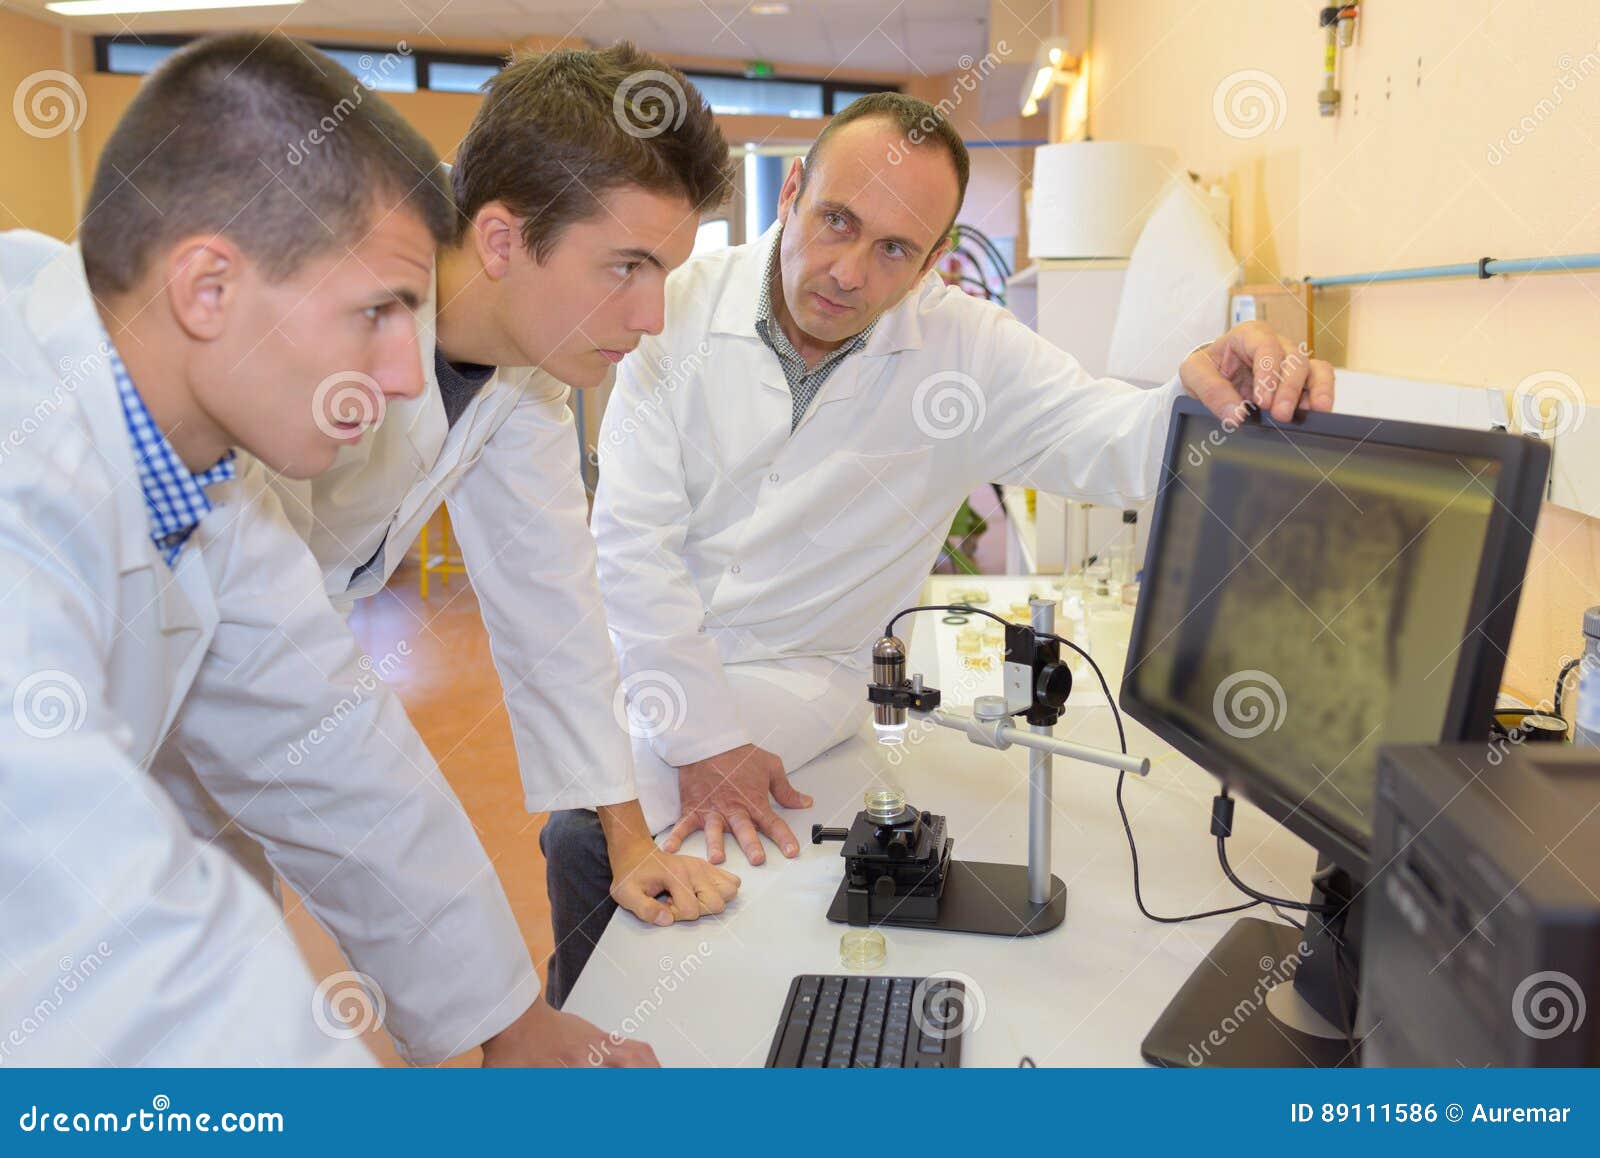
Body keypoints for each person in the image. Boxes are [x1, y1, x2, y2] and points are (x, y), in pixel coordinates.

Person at [570, 92, 1335, 991]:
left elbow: (1111, 436)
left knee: (734, 906)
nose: (850, 272)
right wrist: (700, 742)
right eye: (836, 222)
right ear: (793, 193)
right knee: (586, 831)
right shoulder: (681, 310)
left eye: (894, 249)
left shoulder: (967, 355)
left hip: (798, 673)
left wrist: (1214, 392)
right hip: (655, 659)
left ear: (934, 261)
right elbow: (631, 546)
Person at [0, 33, 649, 1066]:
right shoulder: (21, 473)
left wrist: (512, 1028)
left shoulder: (210, 474)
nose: (403, 377)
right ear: (207, 289)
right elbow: (103, 960)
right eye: (378, 314)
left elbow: (335, 750)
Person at [152, 43, 741, 1013]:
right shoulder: (310, 323)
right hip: (156, 670)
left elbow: (550, 600)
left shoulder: (522, 369)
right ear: (504, 240)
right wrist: (501, 1015)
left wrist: (629, 839)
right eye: (625, 267)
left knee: (199, 960)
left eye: (666, 272)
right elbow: (300, 690)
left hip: (257, 661)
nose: (650, 316)